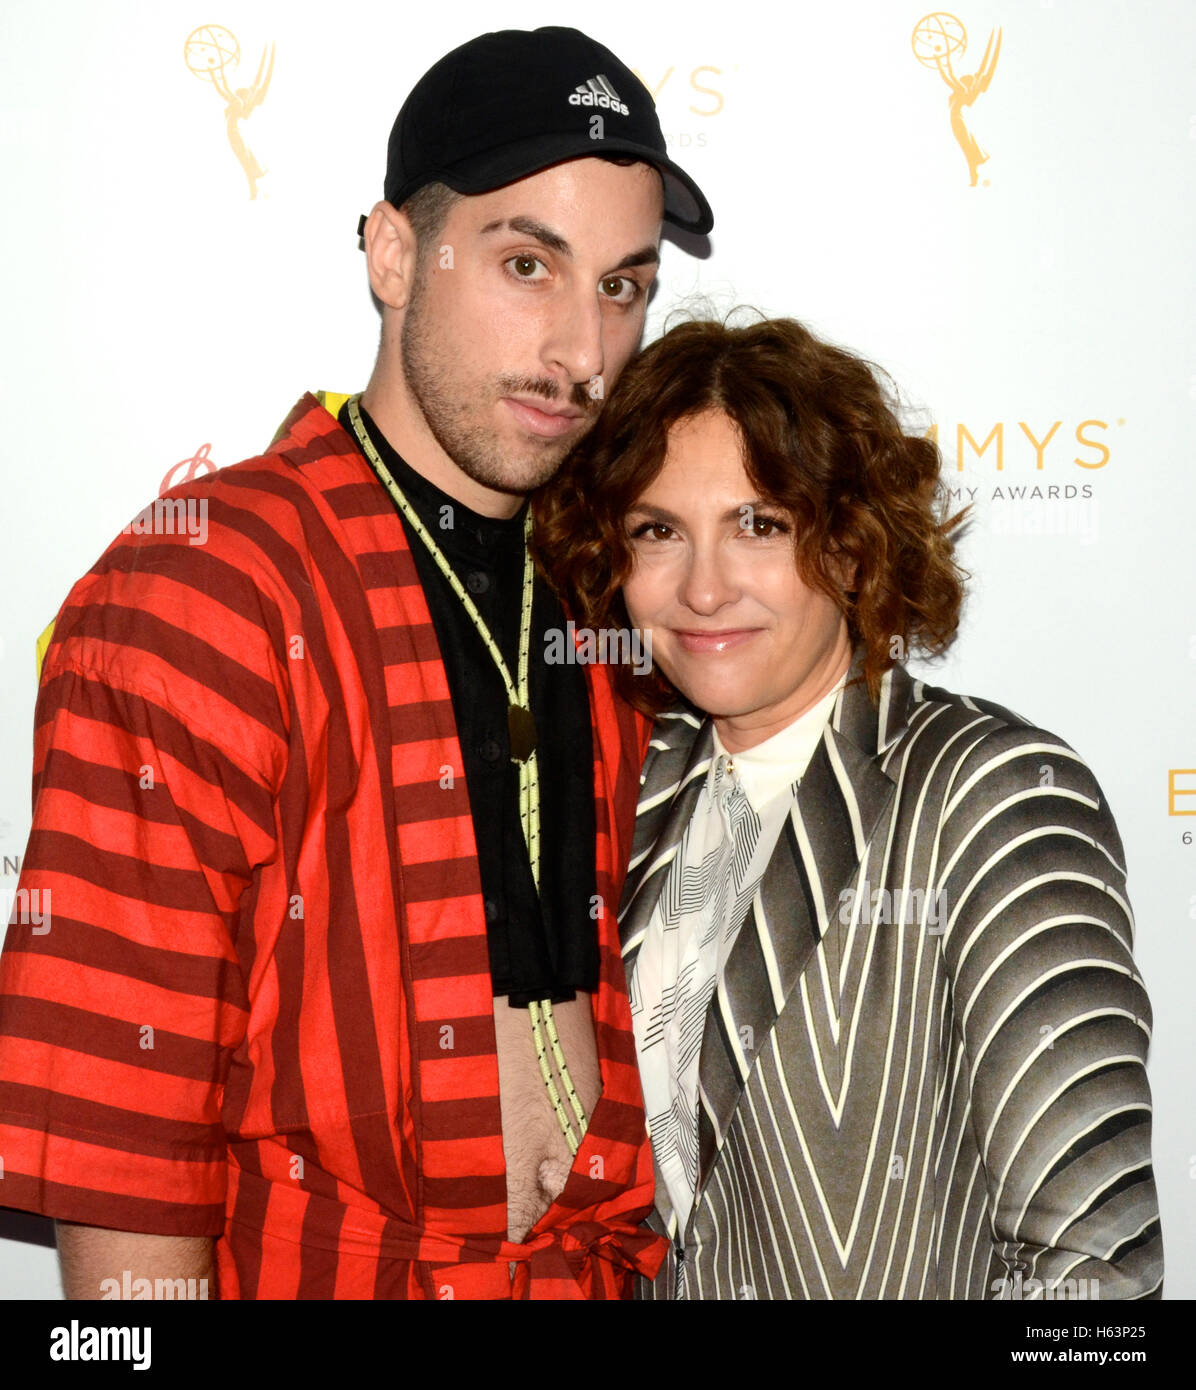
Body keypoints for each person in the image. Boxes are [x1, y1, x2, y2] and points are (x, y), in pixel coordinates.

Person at [0, 27, 713, 1300]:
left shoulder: (625, 587)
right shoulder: (207, 587)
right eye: (525, 264)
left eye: (622, 284)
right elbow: (122, 1138)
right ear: (393, 253)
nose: (582, 351)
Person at [534, 316, 1163, 1300]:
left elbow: (1092, 1266)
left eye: (758, 525)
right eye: (658, 531)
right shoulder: (631, 783)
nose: (702, 587)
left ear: (854, 546)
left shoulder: (989, 790)